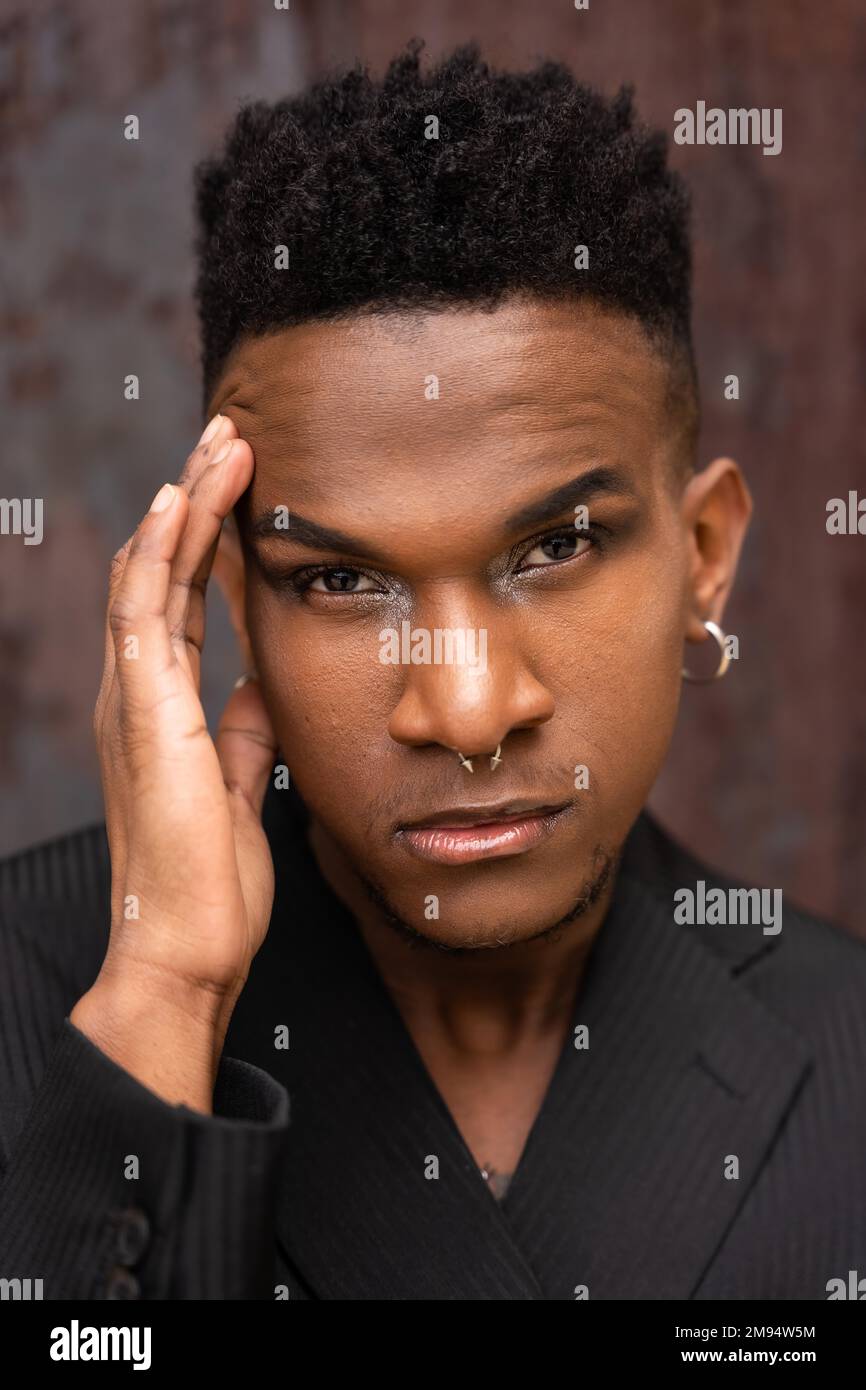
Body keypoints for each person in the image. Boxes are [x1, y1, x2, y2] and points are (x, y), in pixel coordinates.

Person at [1, 41, 864, 1302]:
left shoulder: (842, 1046)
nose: (463, 711)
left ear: (702, 556)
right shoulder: (40, 986)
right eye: (341, 580)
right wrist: (163, 997)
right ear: (226, 600)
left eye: (555, 546)